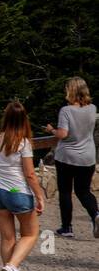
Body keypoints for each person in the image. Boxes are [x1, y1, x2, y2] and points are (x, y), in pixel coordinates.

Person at [0, 101, 44, 271]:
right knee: (30, 233)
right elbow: (30, 174)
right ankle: (12, 266)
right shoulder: (24, 143)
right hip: (16, 191)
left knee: (7, 237)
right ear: (24, 119)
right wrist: (40, 196)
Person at [45, 76, 98, 239]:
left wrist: (51, 130)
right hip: (88, 156)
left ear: (70, 91)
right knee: (84, 191)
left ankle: (67, 227)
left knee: (66, 191)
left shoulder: (66, 111)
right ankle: (96, 214)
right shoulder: (92, 108)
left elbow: (63, 134)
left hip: (67, 156)